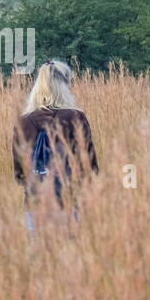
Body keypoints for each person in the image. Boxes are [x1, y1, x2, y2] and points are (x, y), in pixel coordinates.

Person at [12, 59, 98, 229]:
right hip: (70, 202)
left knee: (39, 253)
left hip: (35, 204)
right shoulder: (76, 117)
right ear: (64, 86)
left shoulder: (23, 122)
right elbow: (90, 166)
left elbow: (20, 173)